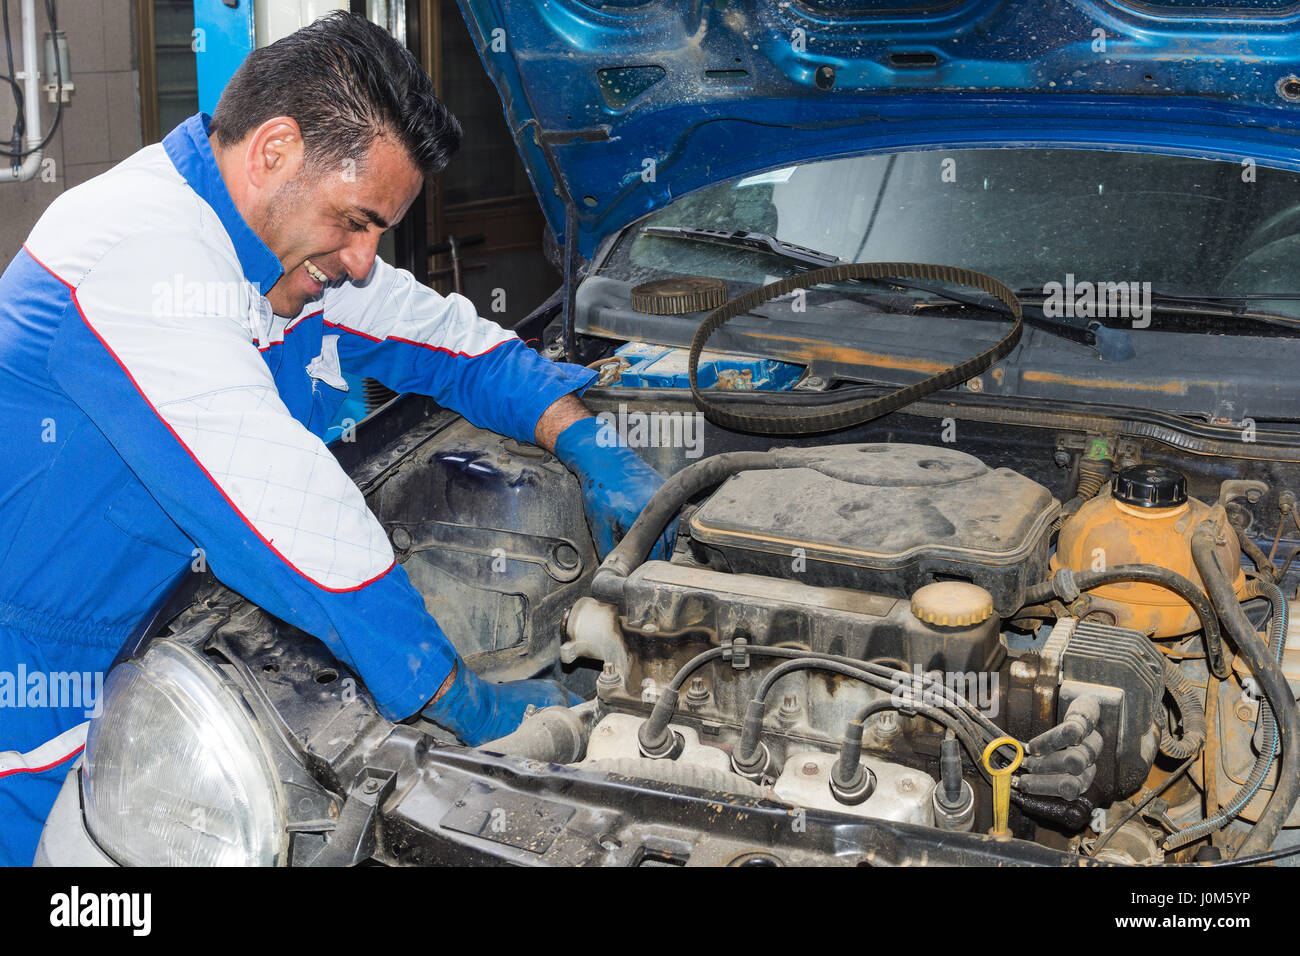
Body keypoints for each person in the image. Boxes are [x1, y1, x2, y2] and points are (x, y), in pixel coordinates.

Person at [0, 11, 669, 865]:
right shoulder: (142, 257)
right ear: (274, 149)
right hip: (28, 681)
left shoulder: (294, 257)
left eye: (378, 229)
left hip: (143, 643)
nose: (363, 258)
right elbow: (288, 512)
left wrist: (587, 444)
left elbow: (459, 344)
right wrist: (451, 690)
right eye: (356, 220)